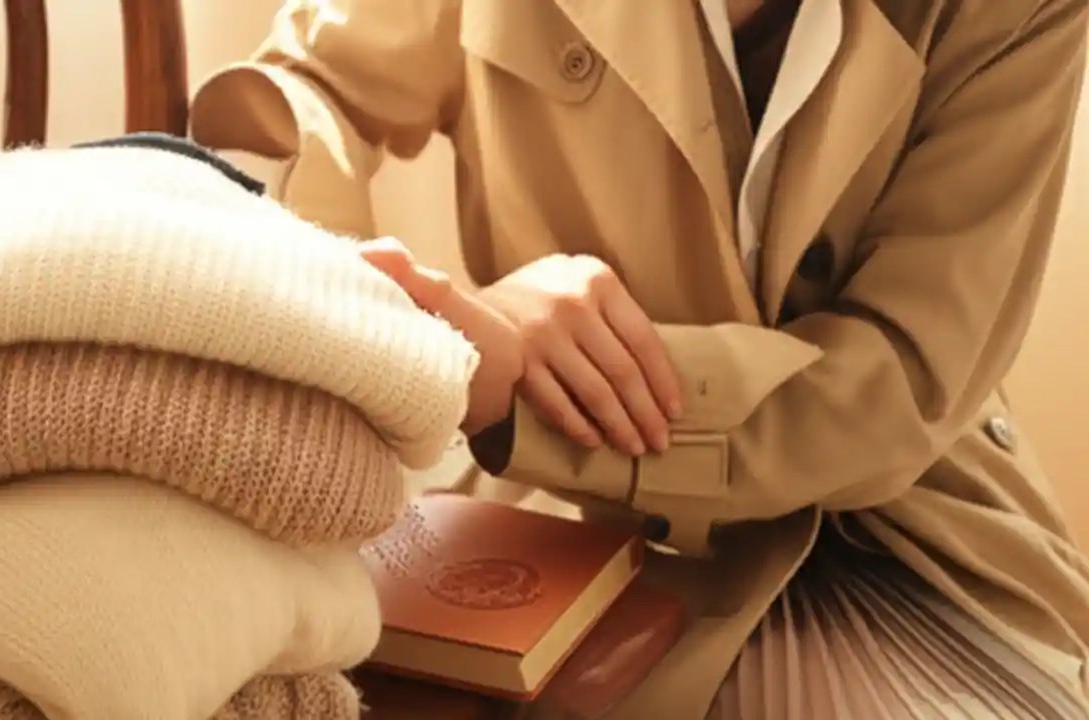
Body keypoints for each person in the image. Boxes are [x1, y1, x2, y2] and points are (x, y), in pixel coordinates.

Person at [191, 0, 1089, 717]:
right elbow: (297, 95)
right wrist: (397, 314)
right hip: (561, 520)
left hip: (896, 539)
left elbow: (898, 376)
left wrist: (516, 389)